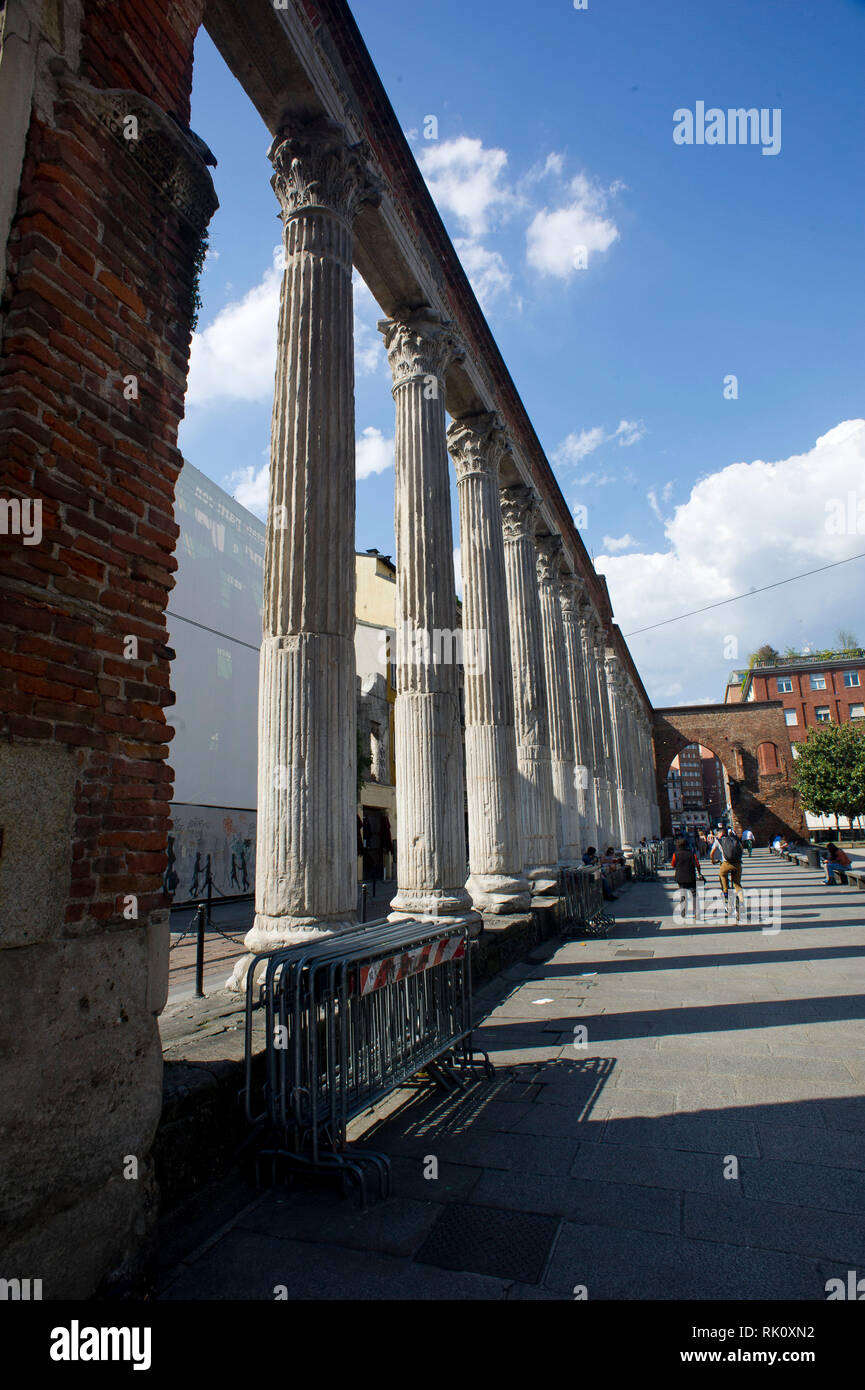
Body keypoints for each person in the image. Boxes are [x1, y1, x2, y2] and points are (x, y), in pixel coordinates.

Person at [672, 835, 704, 921]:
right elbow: (697, 864)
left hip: (680, 877)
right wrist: (699, 873)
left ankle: (683, 913)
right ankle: (696, 913)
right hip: (691, 876)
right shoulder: (691, 854)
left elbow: (673, 864)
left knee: (683, 895)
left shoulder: (675, 854)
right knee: (694, 895)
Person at [717, 828, 746, 919]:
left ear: (721, 834)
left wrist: (713, 860)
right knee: (737, 885)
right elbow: (742, 850)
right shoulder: (736, 840)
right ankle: (741, 903)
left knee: (721, 874)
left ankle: (725, 891)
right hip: (737, 864)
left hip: (726, 864)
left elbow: (712, 853)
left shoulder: (720, 841)